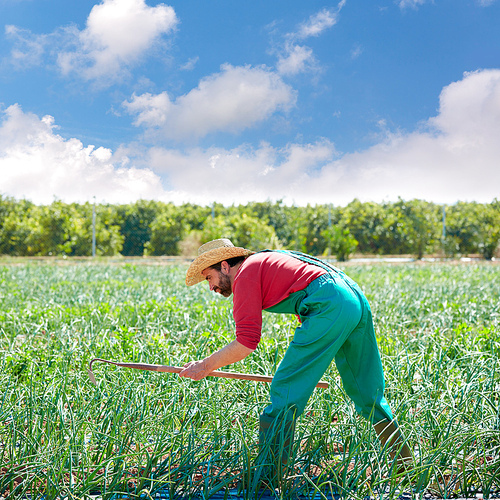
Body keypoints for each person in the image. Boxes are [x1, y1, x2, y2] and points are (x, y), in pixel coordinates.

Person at [180, 238, 412, 487]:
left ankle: (267, 480)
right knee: (368, 392)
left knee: (284, 392)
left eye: (208, 278)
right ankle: (407, 469)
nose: (211, 287)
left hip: (328, 305)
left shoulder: (245, 274)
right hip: (352, 298)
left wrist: (204, 366)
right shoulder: (264, 260)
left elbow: (246, 342)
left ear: (225, 266)